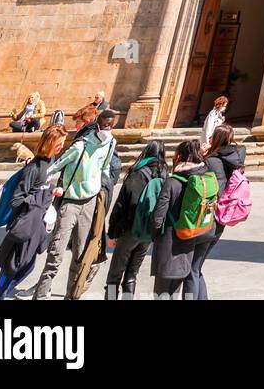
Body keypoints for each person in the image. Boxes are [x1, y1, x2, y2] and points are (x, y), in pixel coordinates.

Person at [30, 105, 119, 299]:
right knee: (57, 252)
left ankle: (72, 295)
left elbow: (105, 170)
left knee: (80, 253)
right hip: (70, 201)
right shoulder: (80, 146)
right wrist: (41, 181)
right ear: (98, 125)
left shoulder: (111, 143)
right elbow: (55, 167)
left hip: (90, 201)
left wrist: (101, 194)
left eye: (111, 126)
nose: (108, 129)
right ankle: (41, 294)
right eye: (105, 124)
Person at [0, 124, 67, 300]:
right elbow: (17, 199)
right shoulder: (34, 167)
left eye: (63, 142)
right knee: (13, 266)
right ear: (49, 143)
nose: (62, 146)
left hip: (38, 223)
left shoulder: (51, 162)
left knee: (27, 266)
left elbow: (41, 188)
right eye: (59, 143)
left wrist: (52, 190)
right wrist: (41, 196)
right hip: (25, 223)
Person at [150, 140, 215, 299]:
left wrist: (153, 234)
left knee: (162, 293)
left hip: (168, 244)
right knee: (174, 290)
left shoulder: (172, 182)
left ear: (179, 156)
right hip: (189, 237)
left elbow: (158, 216)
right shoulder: (204, 179)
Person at [187, 124, 246, 299]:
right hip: (221, 218)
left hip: (206, 218)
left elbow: (197, 185)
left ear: (216, 139)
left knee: (191, 268)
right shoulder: (235, 160)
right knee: (196, 268)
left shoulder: (212, 161)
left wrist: (200, 158)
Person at [104, 140, 167, 300]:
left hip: (130, 230)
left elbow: (121, 205)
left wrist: (112, 233)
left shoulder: (138, 173)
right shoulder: (164, 174)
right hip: (148, 232)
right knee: (132, 273)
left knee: (115, 274)